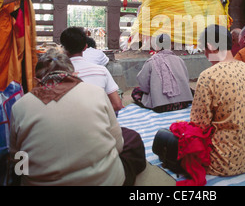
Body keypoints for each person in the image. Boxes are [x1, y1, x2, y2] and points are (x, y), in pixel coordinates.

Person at [9, 48, 146, 185]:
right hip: (103, 181)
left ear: (37, 79)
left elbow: (17, 159)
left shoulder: (20, 107)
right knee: (130, 137)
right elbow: (118, 145)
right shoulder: (96, 93)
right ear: (74, 74)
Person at [190, 25, 245, 176]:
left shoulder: (209, 76)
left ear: (211, 46)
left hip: (226, 163)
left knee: (177, 141)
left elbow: (199, 125)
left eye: (204, 50)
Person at [60, 27, 123, 112]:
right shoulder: (102, 70)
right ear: (85, 47)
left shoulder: (57, 74)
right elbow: (117, 105)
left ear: (62, 48)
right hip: (100, 121)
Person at [132, 34, 193, 113]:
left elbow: (143, 84)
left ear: (157, 46)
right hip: (183, 103)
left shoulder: (151, 61)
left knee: (136, 91)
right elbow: (186, 79)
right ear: (170, 45)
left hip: (160, 106)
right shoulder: (179, 60)